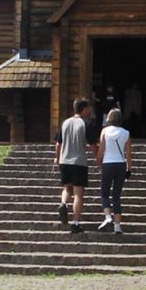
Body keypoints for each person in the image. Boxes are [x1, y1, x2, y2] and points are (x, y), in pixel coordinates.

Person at [54, 97, 94, 233]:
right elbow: (93, 145)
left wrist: (56, 158)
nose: (89, 110)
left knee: (68, 188)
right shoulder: (85, 124)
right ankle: (75, 223)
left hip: (65, 161)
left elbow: (58, 143)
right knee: (78, 194)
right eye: (88, 108)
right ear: (83, 109)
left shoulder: (65, 123)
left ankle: (63, 203)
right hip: (79, 162)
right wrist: (99, 157)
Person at [96, 108, 132, 235]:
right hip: (120, 164)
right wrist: (129, 168)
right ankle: (117, 226)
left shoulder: (104, 131)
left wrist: (98, 162)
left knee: (104, 193)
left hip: (108, 163)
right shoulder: (126, 133)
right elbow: (128, 153)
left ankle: (108, 217)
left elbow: (101, 149)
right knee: (116, 195)